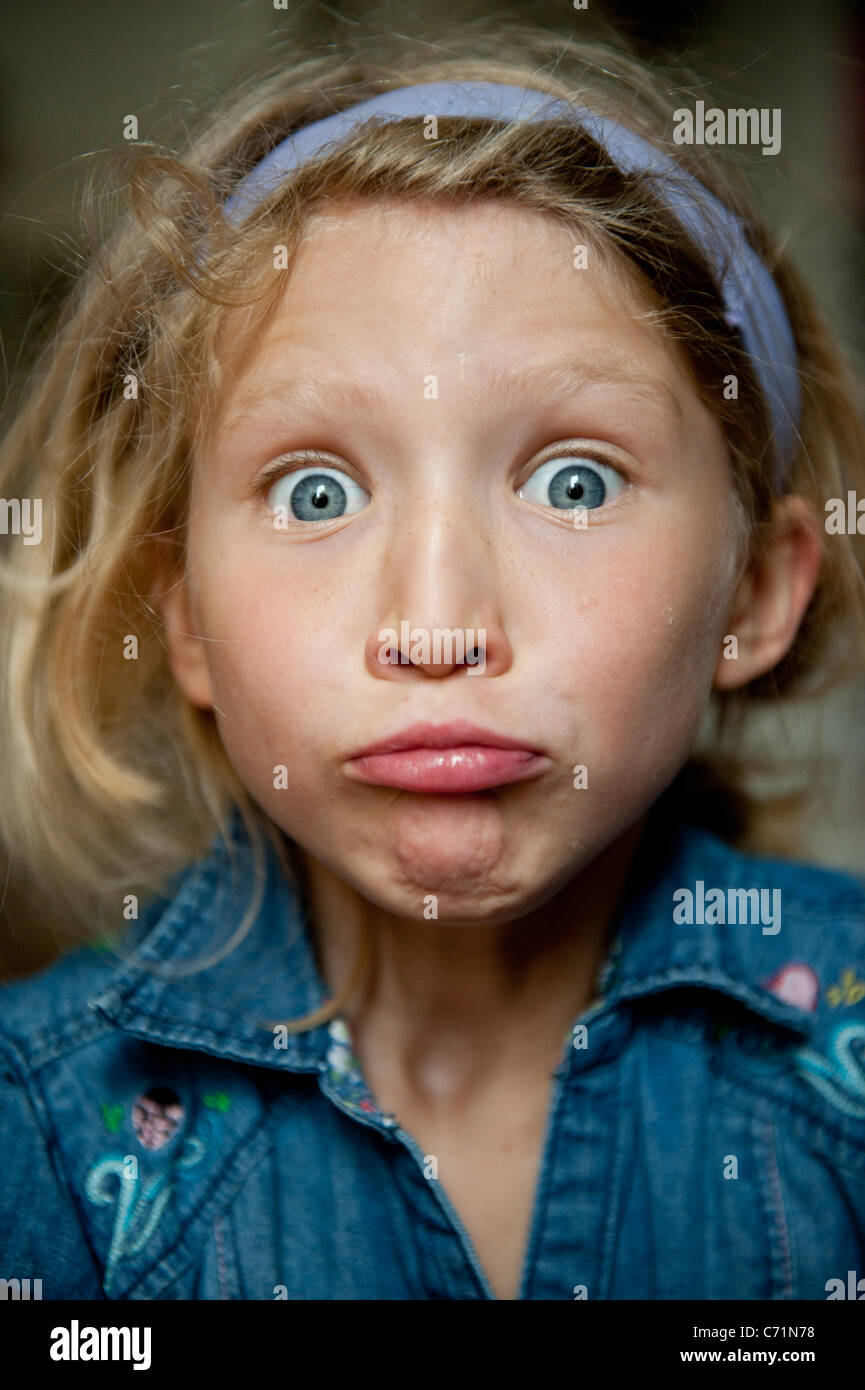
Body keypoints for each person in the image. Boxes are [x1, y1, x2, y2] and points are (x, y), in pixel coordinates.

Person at [0, 19, 864, 1301]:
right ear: (183, 620)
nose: (438, 626)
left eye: (573, 480)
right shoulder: (43, 1127)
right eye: (311, 494)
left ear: (752, 593)